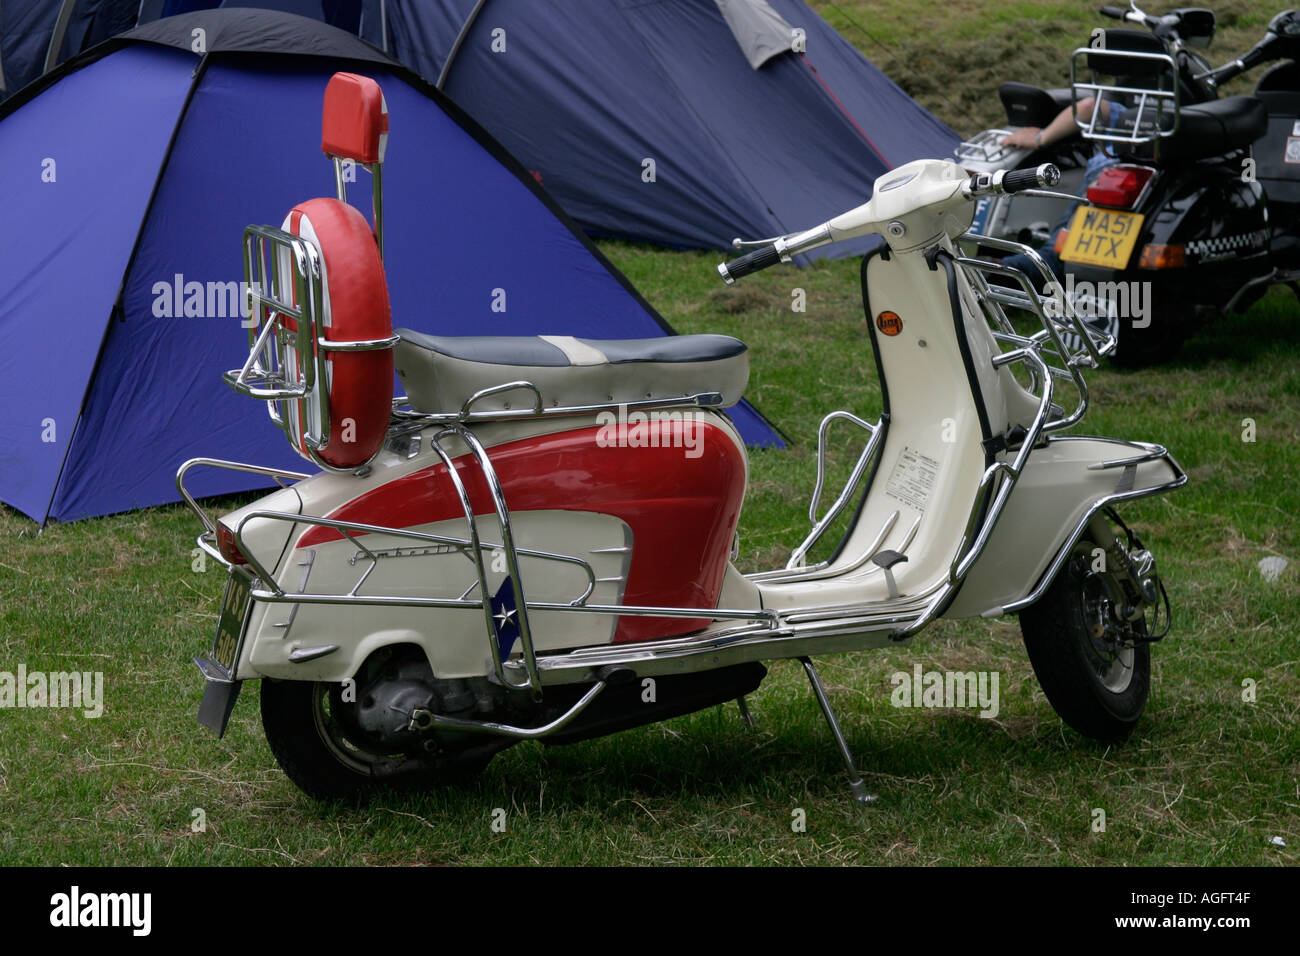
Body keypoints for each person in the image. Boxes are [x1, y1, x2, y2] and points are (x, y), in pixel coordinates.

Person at [996, 96, 1130, 285]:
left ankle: (996, 273)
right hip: (1171, 182)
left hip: (1110, 175)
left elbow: (1089, 106)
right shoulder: (1178, 112)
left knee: (1057, 255)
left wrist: (1039, 138)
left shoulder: (1136, 109)